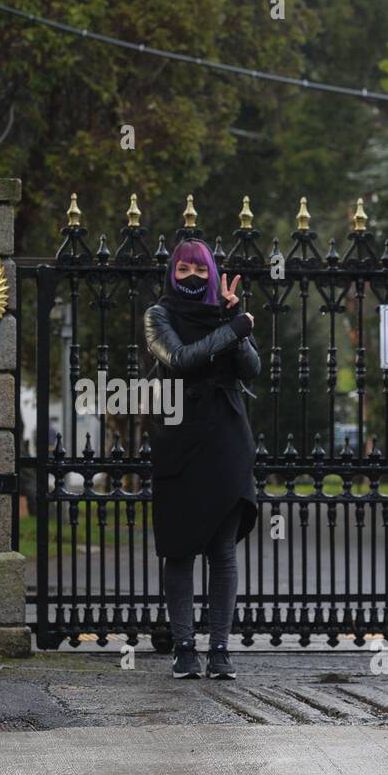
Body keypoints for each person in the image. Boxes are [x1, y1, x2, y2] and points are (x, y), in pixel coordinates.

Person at [142, 238, 260, 680]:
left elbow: (251, 369)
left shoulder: (225, 314)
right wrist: (234, 328)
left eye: (201, 270)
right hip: (179, 439)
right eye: (184, 271)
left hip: (227, 438)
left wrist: (232, 317)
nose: (193, 278)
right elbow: (180, 359)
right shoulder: (159, 316)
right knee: (180, 548)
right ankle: (184, 647)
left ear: (213, 273)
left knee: (223, 549)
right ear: (172, 274)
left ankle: (221, 649)